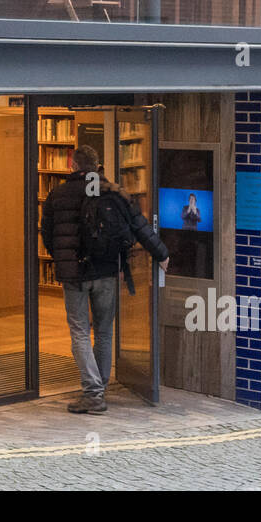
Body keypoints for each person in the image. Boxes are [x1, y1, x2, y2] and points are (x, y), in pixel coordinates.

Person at [40, 144, 169, 415]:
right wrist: (161, 253)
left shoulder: (58, 194)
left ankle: (93, 392)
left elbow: (47, 234)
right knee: (104, 331)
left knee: (79, 331)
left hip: (74, 273)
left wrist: (63, 259)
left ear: (72, 165)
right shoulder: (114, 191)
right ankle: (99, 389)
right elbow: (139, 224)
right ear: (98, 165)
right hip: (107, 271)